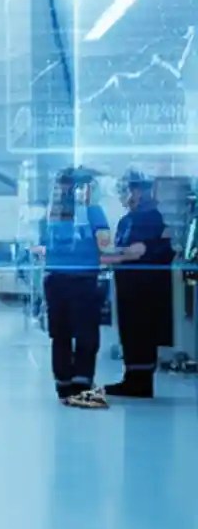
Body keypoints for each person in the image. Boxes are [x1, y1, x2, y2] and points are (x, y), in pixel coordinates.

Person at [33, 167, 114, 409]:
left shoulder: (51, 216)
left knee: (61, 334)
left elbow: (40, 248)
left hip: (56, 280)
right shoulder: (92, 212)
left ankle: (65, 385)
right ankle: (81, 385)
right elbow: (105, 243)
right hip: (83, 281)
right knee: (85, 334)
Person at [100, 169, 175, 398]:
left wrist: (113, 255)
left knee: (142, 331)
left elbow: (137, 251)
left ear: (139, 191)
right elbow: (126, 251)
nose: (124, 196)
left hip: (144, 286)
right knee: (130, 332)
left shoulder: (150, 218)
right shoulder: (127, 221)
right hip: (128, 284)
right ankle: (132, 377)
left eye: (128, 190)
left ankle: (140, 382)